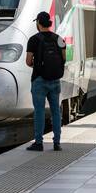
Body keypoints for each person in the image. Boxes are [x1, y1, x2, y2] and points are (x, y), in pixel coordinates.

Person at [26, 10, 67, 152]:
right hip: (55, 80)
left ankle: (38, 143)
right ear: (49, 23)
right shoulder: (59, 39)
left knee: (39, 111)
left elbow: (28, 61)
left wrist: (38, 66)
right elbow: (64, 59)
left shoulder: (33, 40)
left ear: (38, 23)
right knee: (56, 111)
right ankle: (57, 143)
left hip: (39, 80)